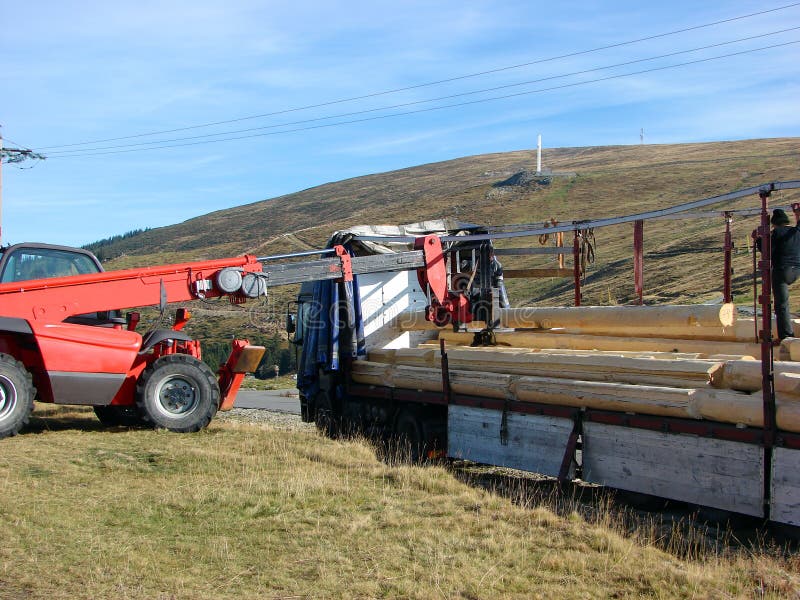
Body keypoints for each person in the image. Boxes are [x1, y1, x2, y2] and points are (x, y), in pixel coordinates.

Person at [769, 205, 800, 340]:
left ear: (774, 223)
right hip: (796, 271)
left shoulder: (776, 233)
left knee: (782, 305)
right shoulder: (796, 231)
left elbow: (767, 251)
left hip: (782, 270)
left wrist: (758, 239)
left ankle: (786, 336)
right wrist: (797, 213)